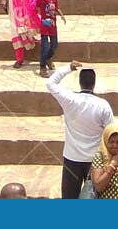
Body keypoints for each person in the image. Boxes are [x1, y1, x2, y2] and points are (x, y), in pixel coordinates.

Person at [47, 62, 113, 199]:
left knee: (69, 197)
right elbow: (111, 132)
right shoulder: (103, 105)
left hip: (72, 158)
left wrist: (69, 68)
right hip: (95, 160)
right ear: (94, 84)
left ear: (80, 83)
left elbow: (50, 83)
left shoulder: (69, 99)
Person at [90, 122, 118, 198]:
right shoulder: (99, 157)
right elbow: (98, 186)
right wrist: (112, 166)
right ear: (106, 141)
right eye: (111, 142)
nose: (115, 145)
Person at [35, 0, 60, 76]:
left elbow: (57, 8)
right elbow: (36, 10)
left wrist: (62, 15)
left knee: (54, 45)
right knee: (44, 46)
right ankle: (42, 66)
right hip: (44, 26)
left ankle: (48, 58)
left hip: (53, 26)